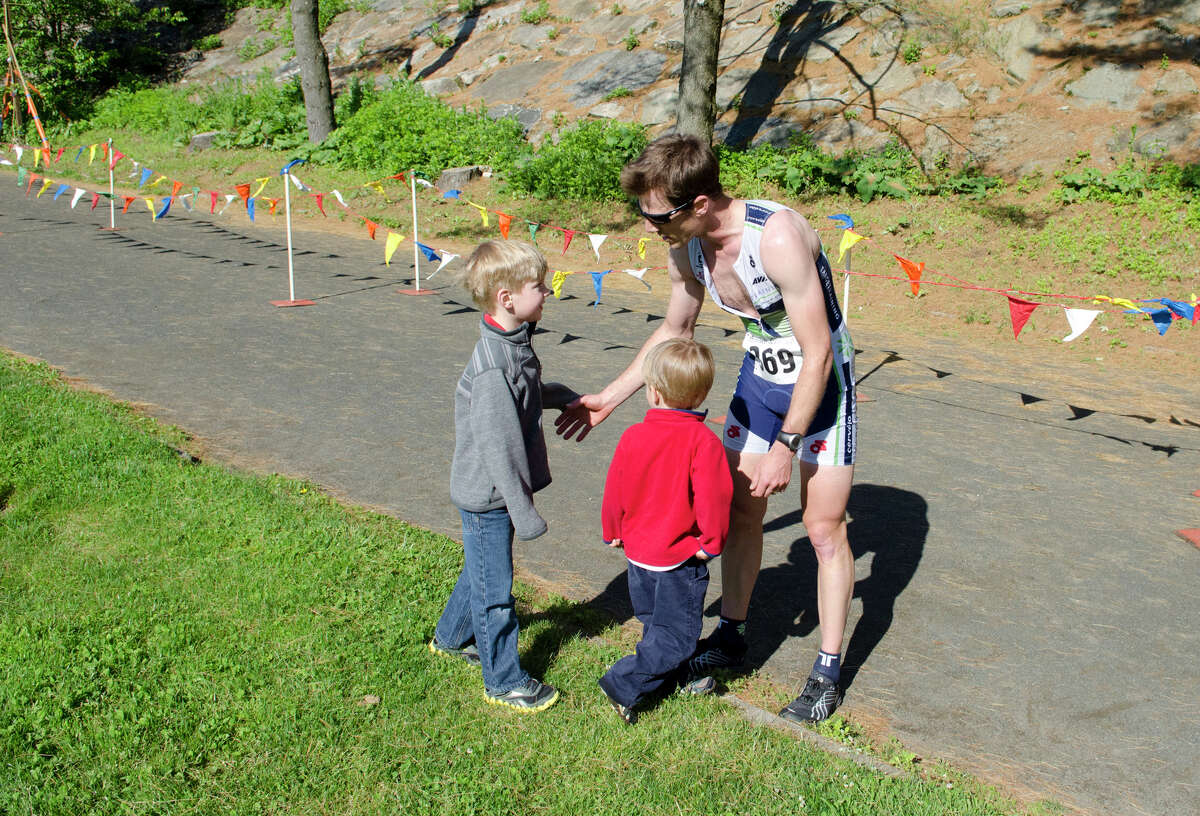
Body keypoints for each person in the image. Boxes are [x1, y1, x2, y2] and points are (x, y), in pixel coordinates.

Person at [555, 134, 857, 723]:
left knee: (823, 530)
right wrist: (610, 399)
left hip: (821, 382)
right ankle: (732, 634)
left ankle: (826, 671)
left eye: (656, 215)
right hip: (762, 372)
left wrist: (784, 446)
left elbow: (818, 353)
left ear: (698, 205)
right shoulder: (685, 244)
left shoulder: (777, 237)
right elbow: (676, 328)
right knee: (742, 509)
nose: (649, 227)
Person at [431, 240, 578, 713]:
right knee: (495, 593)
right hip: (489, 495)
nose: (548, 292)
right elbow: (501, 446)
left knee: (482, 568)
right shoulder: (495, 364)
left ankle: (451, 639)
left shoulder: (512, 343)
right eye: (540, 286)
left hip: (492, 494)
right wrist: (524, 510)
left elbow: (526, 394)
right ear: (506, 298)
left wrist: (561, 396)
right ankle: (504, 681)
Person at [597, 338, 733, 724]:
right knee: (677, 635)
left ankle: (675, 677)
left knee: (655, 623)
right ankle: (622, 683)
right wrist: (711, 542)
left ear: (652, 392)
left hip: (638, 556)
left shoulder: (633, 436)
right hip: (678, 559)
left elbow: (615, 488)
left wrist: (613, 529)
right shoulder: (702, 442)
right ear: (703, 393)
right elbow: (715, 498)